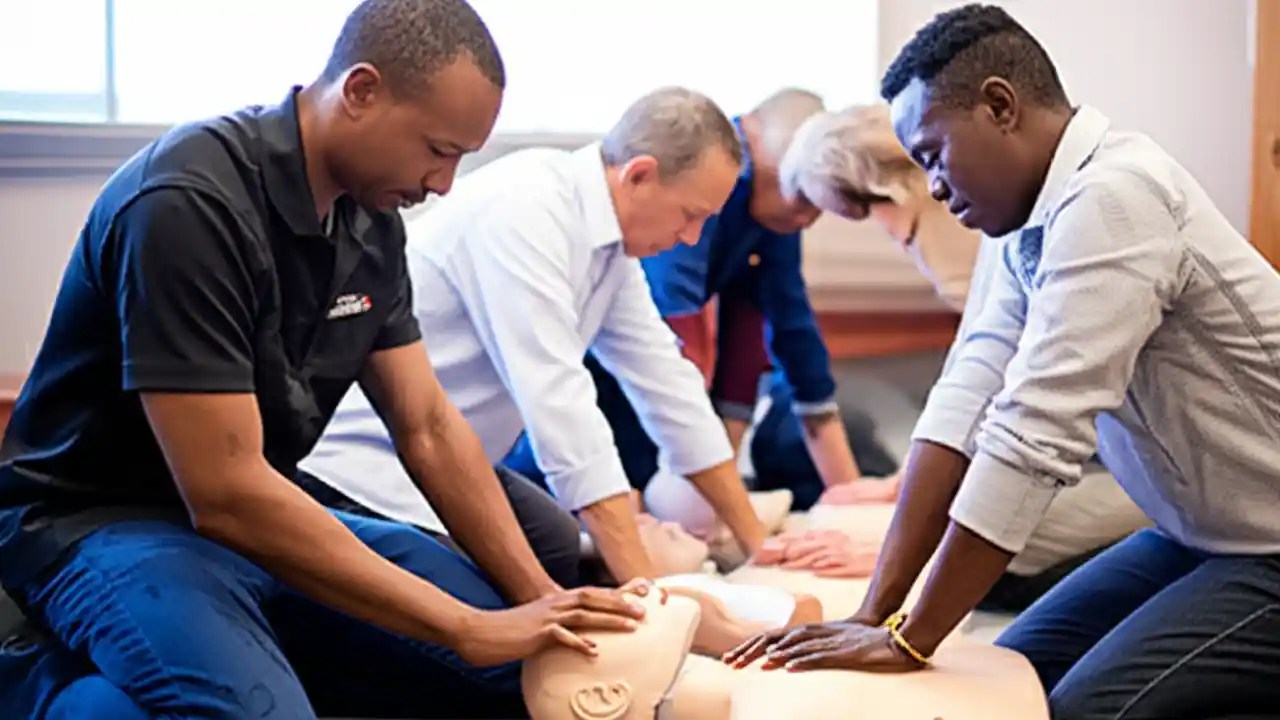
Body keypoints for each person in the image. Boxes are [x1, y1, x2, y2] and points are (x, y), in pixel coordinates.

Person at [0, 2, 650, 717]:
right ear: (362, 91)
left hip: (262, 509)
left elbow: (428, 426)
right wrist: (464, 628)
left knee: (522, 675)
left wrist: (543, 604)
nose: (444, 184)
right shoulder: (188, 202)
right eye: (439, 151)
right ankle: (38, 680)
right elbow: (225, 493)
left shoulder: (372, 218)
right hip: (101, 523)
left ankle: (259, 654)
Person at [723, 4, 1280, 718]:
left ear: (999, 106)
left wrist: (910, 639)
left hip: (1268, 545)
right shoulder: (1025, 224)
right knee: (1001, 675)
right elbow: (967, 393)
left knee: (1079, 709)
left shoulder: (1116, 197)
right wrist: (877, 613)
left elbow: (1031, 435)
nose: (933, 185)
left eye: (933, 154)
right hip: (1202, 535)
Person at [300, 87, 766, 586]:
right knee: (488, 606)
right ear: (639, 175)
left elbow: (667, 384)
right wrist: (648, 597)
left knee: (562, 549)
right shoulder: (526, 208)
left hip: (456, 466)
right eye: (691, 215)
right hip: (363, 470)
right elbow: (560, 407)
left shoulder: (612, 247)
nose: (691, 238)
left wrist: (760, 546)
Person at [780, 104, 1149, 610]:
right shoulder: (973, 233)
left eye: (874, 215)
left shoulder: (1004, 224)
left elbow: (1029, 418)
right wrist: (905, 486)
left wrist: (909, 552)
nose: (896, 241)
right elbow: (970, 375)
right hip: (1099, 454)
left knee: (985, 550)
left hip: (1143, 473)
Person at [504, 87, 885, 513]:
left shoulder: (772, 214)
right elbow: (669, 344)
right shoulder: (698, 195)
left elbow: (783, 334)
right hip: (616, 376)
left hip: (667, 374)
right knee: (605, 475)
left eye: (816, 210)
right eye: (800, 200)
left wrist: (845, 503)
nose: (805, 219)